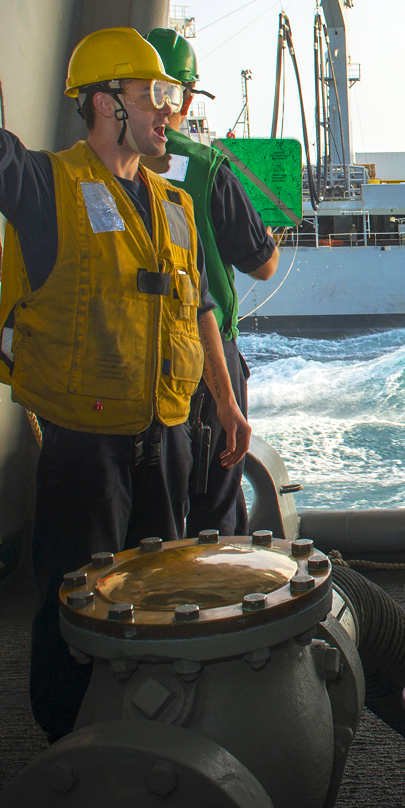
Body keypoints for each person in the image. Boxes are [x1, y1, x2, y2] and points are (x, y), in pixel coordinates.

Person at [0, 0, 250, 741]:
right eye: (155, 95)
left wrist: (228, 403)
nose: (169, 113)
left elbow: (200, 310)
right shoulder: (49, 185)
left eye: (172, 97)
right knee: (75, 596)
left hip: (168, 435)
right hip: (87, 446)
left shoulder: (174, 206)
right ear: (106, 102)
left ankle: (152, 723)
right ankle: (66, 740)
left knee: (158, 594)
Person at [142, 27, 270, 537]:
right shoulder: (207, 167)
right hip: (207, 347)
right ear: (185, 97)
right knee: (217, 495)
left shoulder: (98, 168)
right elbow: (261, 265)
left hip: (134, 352)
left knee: (154, 497)